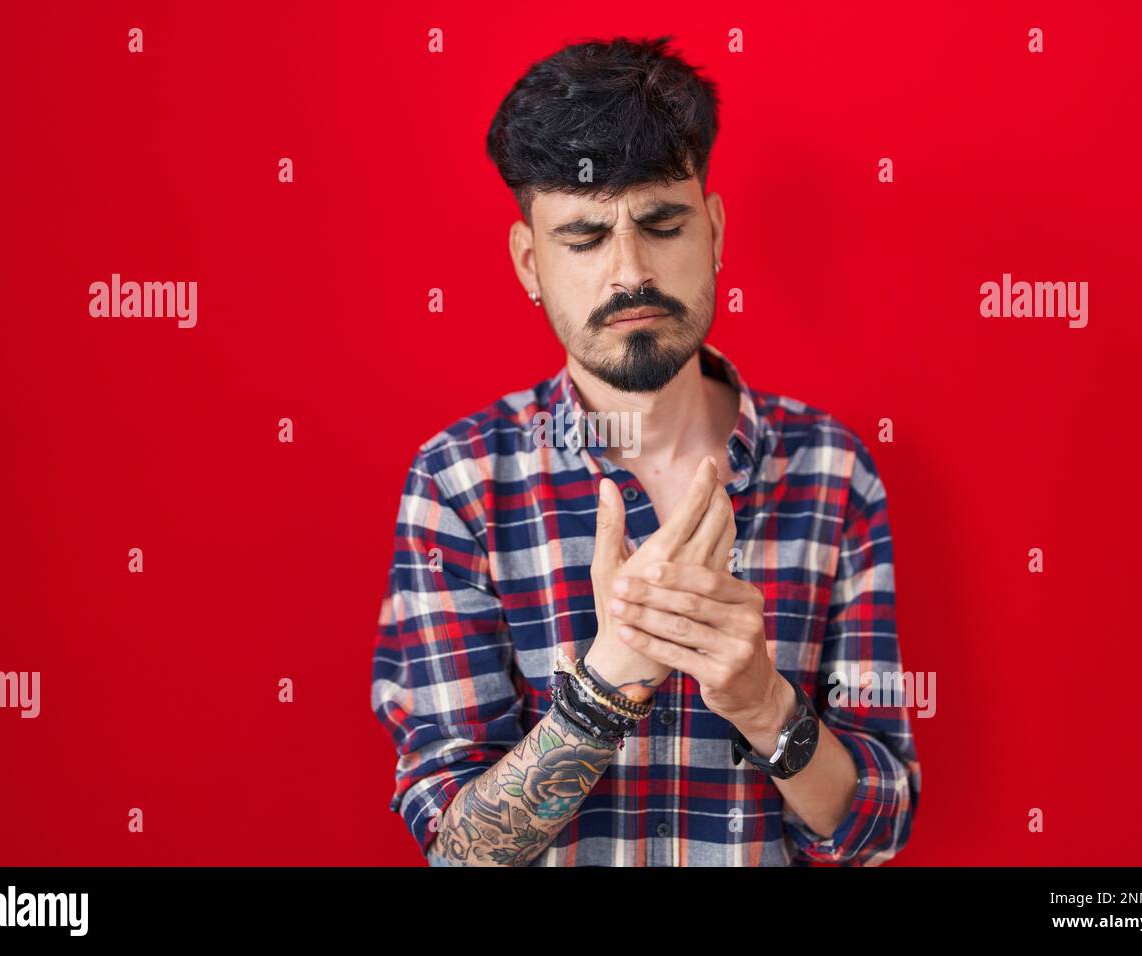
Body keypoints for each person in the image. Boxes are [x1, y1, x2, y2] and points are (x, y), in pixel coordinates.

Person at [371, 34, 921, 866]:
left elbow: (879, 830)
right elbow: (457, 849)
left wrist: (763, 703)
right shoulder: (459, 482)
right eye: (584, 239)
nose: (629, 272)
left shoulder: (834, 471)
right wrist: (607, 682)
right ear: (529, 261)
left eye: (662, 224)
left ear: (714, 229)